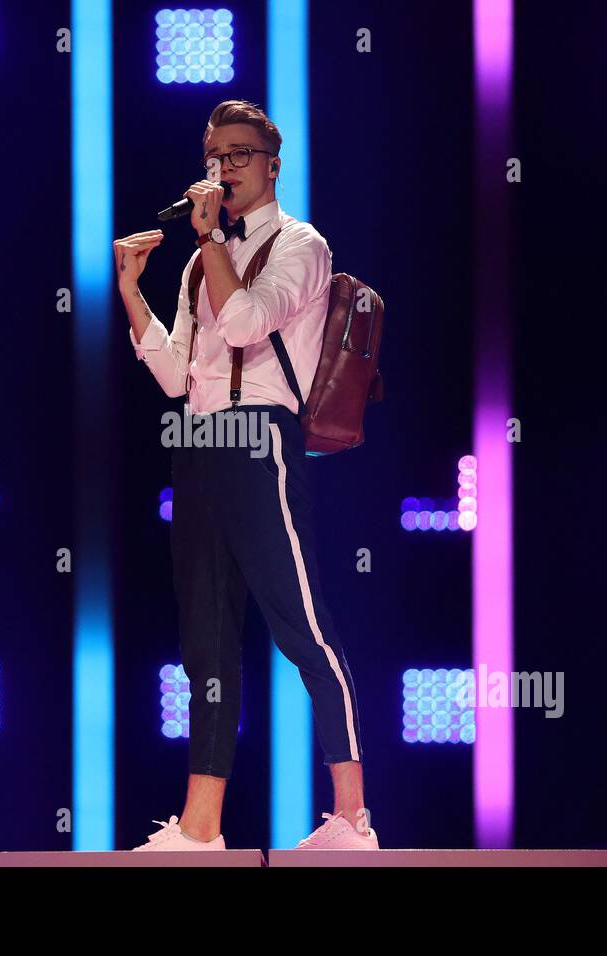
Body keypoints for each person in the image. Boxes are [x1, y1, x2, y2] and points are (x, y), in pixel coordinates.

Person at [113, 100, 376, 852]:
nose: (223, 170)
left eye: (238, 155)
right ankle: (200, 829)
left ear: (271, 165)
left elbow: (244, 324)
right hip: (197, 443)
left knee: (304, 629)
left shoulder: (301, 244)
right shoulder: (202, 260)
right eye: (214, 156)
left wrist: (209, 241)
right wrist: (133, 291)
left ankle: (352, 819)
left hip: (260, 439)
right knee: (207, 641)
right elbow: (174, 373)